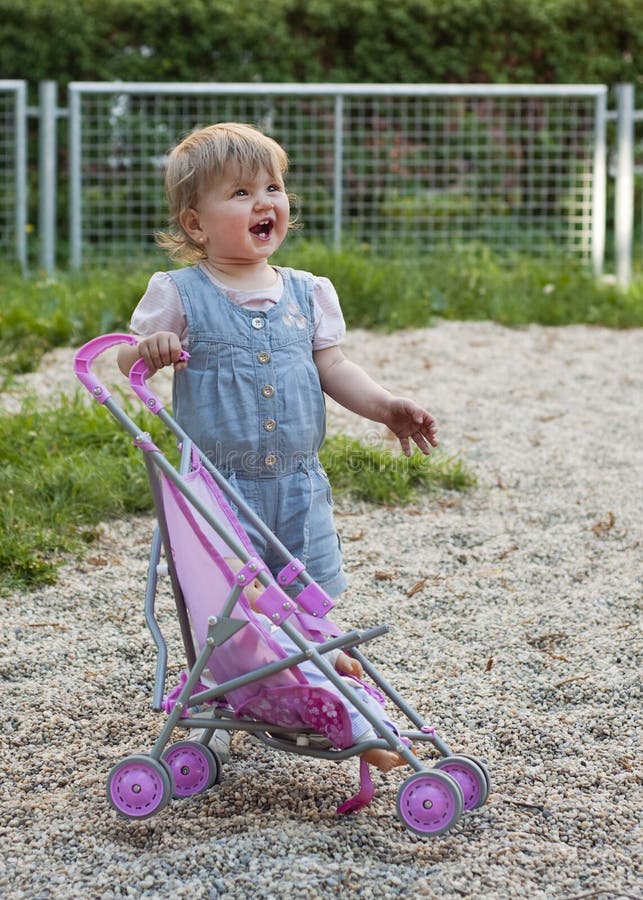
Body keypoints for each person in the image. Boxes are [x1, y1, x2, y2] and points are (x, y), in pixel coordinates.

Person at [117, 121, 438, 599]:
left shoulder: (308, 292)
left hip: (299, 487)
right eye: (241, 192)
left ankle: (308, 645)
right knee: (233, 600)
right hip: (219, 488)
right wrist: (148, 348)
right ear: (196, 224)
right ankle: (248, 646)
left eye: (273, 187)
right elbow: (126, 358)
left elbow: (334, 368)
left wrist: (385, 406)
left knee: (309, 596)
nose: (264, 202)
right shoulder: (180, 293)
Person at [227, 558, 408, 773]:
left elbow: (307, 647)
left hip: (317, 686)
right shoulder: (247, 636)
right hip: (298, 696)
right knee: (343, 704)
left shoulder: (275, 628)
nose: (265, 591)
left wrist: (339, 658)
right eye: (255, 586)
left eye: (261, 583)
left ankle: (390, 737)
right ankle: (369, 747)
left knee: (363, 696)